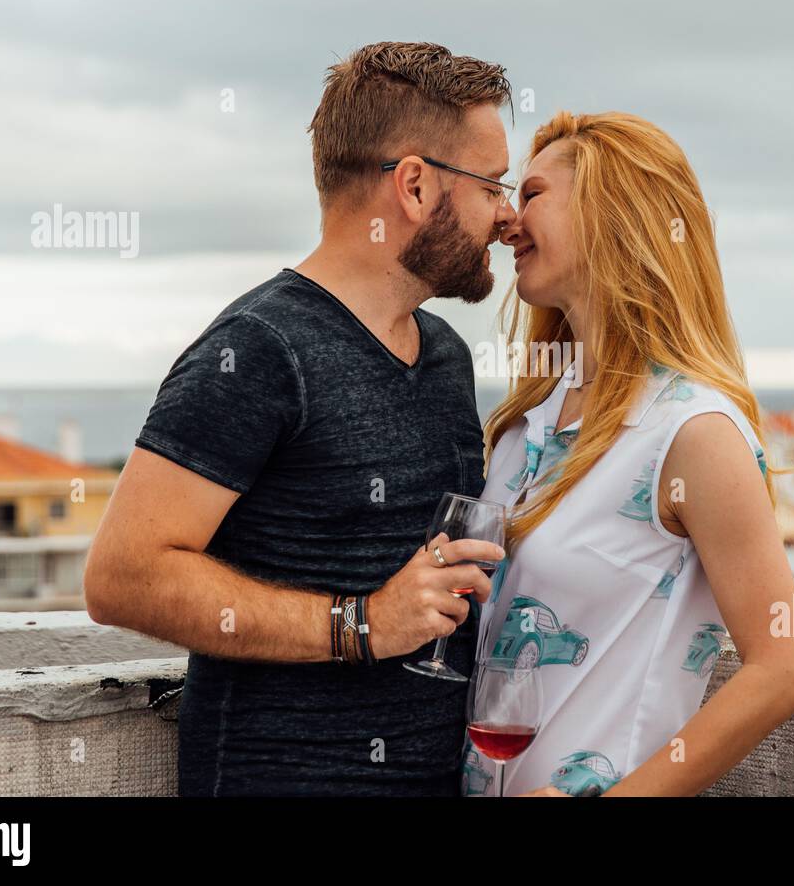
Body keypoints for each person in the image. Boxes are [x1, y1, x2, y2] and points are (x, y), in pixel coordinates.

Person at [84, 41, 517, 795]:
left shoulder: (446, 354)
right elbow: (123, 575)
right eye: (493, 184)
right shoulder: (258, 349)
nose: (507, 215)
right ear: (414, 185)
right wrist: (360, 624)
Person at [463, 111, 794, 797]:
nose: (507, 218)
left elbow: (783, 670)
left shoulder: (693, 431)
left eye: (531, 194)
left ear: (609, 213)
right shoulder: (521, 430)